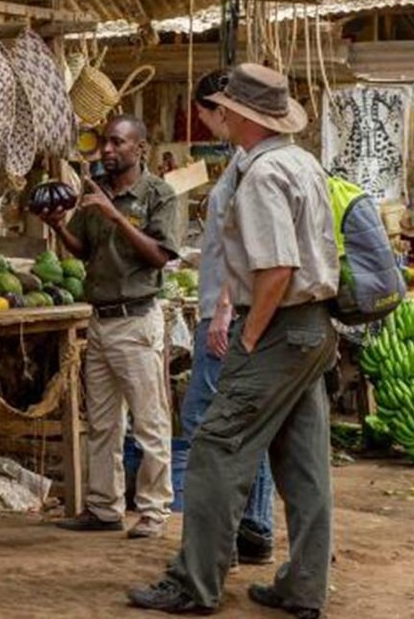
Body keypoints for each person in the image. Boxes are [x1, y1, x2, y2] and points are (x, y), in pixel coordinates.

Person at [128, 63, 339, 618]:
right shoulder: (302, 162)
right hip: (313, 327)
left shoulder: (264, 175)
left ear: (239, 115)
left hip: (278, 326)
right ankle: (303, 586)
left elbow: (276, 269)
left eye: (222, 109)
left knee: (215, 453)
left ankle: (194, 584)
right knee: (305, 465)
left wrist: (246, 335)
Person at [40, 115, 179, 540]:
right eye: (105, 143)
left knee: (149, 421)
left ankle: (154, 510)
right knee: (102, 423)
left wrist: (116, 216)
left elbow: (161, 256)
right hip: (100, 321)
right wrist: (60, 226)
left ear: (141, 148)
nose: (107, 150)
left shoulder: (158, 195)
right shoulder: (95, 194)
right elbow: (84, 251)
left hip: (137, 321)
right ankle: (104, 508)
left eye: (118, 143)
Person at [186, 70, 277, 566]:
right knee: (235, 419)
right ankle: (251, 525)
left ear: (220, 111)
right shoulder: (247, 162)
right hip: (229, 308)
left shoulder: (251, 165)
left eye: (206, 115)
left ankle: (248, 526)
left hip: (227, 312)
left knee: (214, 420)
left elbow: (250, 249)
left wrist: (223, 309)